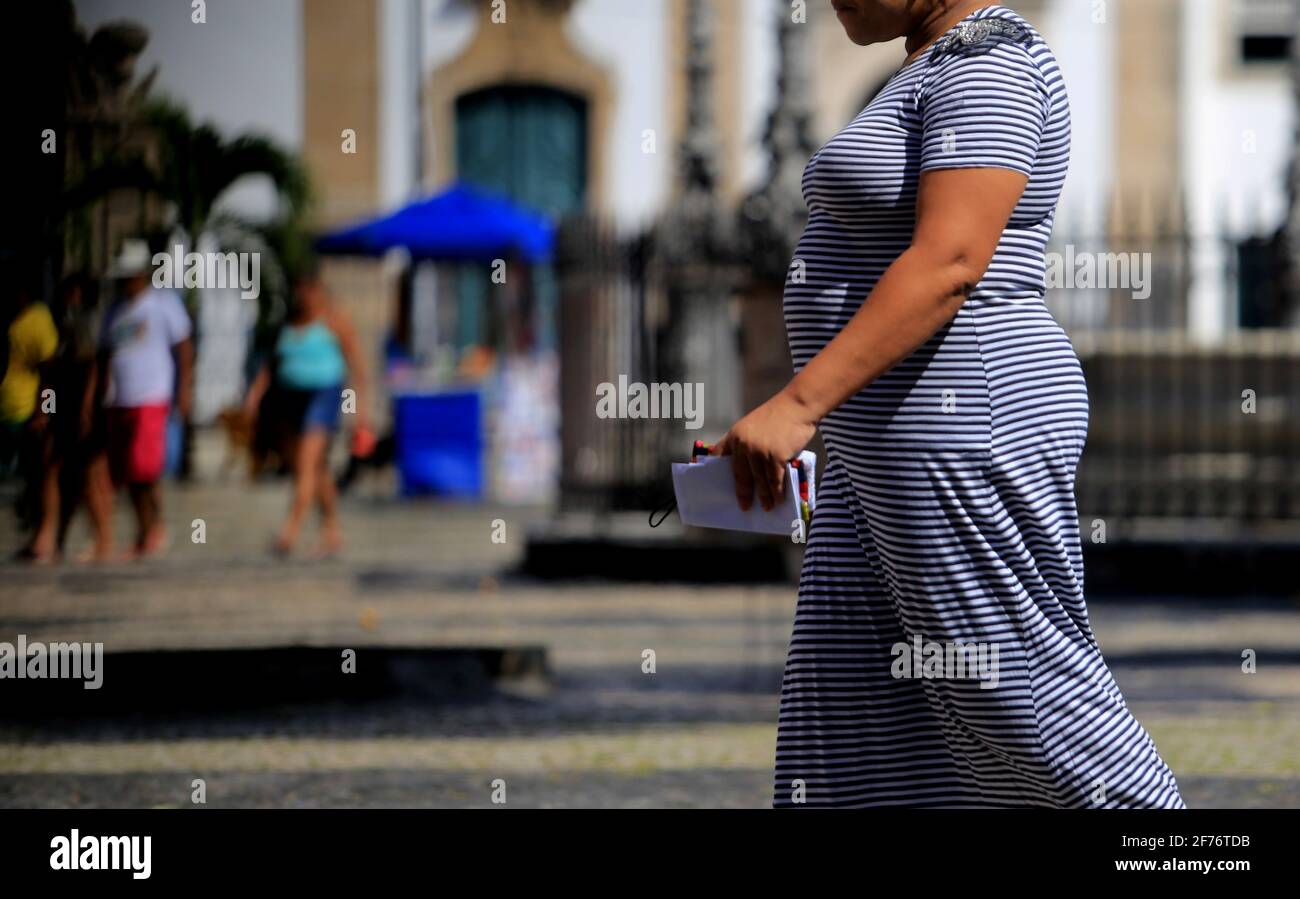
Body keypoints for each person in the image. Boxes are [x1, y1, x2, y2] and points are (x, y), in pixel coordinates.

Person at [717, 1, 1184, 807]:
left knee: (1010, 680)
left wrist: (799, 403)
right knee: (851, 704)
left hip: (960, 421)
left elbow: (952, 262)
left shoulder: (988, 65)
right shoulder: (935, 62)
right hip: (886, 437)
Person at [243, 264, 368, 557]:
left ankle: (291, 529)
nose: (304, 296)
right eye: (299, 290)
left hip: (323, 396)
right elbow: (270, 365)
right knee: (316, 468)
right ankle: (332, 529)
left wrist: (360, 411)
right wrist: (254, 396)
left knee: (305, 463)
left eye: (310, 289)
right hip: (288, 399)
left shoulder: (335, 322)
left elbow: (358, 367)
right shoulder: (287, 324)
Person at [98, 239, 193, 560]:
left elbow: (183, 348)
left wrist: (184, 390)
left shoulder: (163, 303)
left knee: (145, 468)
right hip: (119, 399)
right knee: (128, 473)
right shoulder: (114, 311)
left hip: (153, 395)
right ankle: (146, 530)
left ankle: (155, 527)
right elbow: (104, 355)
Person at [1, 273, 59, 556]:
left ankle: (41, 537)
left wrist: (44, 413)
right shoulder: (10, 319)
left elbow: (49, 371)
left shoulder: (37, 319)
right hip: (7, 409)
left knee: (36, 479)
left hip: (28, 412)